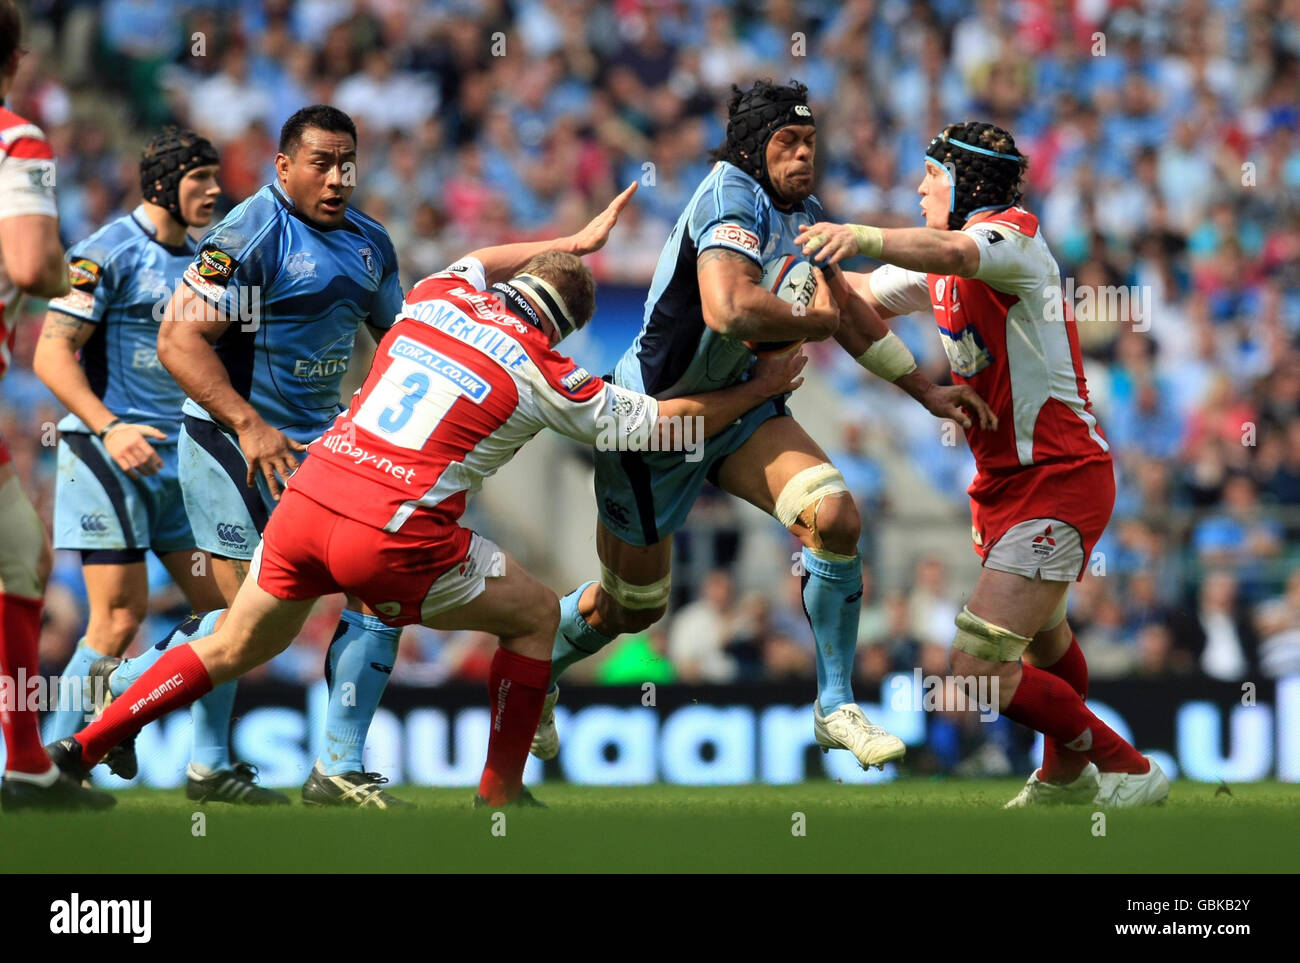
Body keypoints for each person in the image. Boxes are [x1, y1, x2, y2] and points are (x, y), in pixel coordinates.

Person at [46, 190, 808, 807]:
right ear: (571, 325)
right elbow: (655, 430)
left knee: (232, 642)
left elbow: (479, 258)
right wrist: (757, 389)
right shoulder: (550, 371)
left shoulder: (438, 293)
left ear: (514, 286)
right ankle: (499, 797)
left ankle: (89, 737)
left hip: (311, 494)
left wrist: (570, 242)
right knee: (538, 613)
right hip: (393, 529)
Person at [533, 79, 993, 770]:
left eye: (809, 141)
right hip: (656, 422)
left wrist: (925, 388)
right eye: (788, 142)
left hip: (743, 407)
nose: (804, 154)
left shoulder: (802, 209)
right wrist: (813, 322)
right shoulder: (730, 197)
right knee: (630, 607)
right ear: (752, 147)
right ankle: (535, 664)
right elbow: (727, 308)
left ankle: (835, 703)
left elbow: (851, 311)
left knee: (834, 516)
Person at [798, 120, 1168, 807]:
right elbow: (853, 297)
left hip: (1059, 475)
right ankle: (1063, 774)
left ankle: (1129, 766)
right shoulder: (936, 262)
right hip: (1004, 486)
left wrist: (861, 231)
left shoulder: (1013, 238)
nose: (917, 187)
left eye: (930, 175)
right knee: (1047, 643)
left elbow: (956, 251)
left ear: (965, 184)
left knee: (975, 667)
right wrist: (788, 274)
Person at [92, 105, 410, 807]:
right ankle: (188, 746)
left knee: (376, 581)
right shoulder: (249, 233)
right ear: (284, 167)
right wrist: (249, 423)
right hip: (229, 439)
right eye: (320, 163)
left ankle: (337, 767)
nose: (336, 178)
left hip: (320, 446)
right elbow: (178, 339)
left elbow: (398, 339)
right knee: (251, 620)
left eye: (346, 162)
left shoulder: (371, 243)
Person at [32, 128, 285, 804]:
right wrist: (111, 428)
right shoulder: (106, 252)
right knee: (115, 618)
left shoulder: (209, 261)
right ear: (160, 184)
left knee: (230, 611)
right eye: (199, 179)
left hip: (185, 458)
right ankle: (47, 769)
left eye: (215, 179)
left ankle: (206, 766)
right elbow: (51, 355)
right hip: (107, 452)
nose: (213, 191)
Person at [0, 0, 114, 812]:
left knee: (21, 551)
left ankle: (28, 762)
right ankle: (28, 758)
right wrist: (59, 277)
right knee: (21, 554)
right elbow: (34, 259)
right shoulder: (19, 140)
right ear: (18, 58)